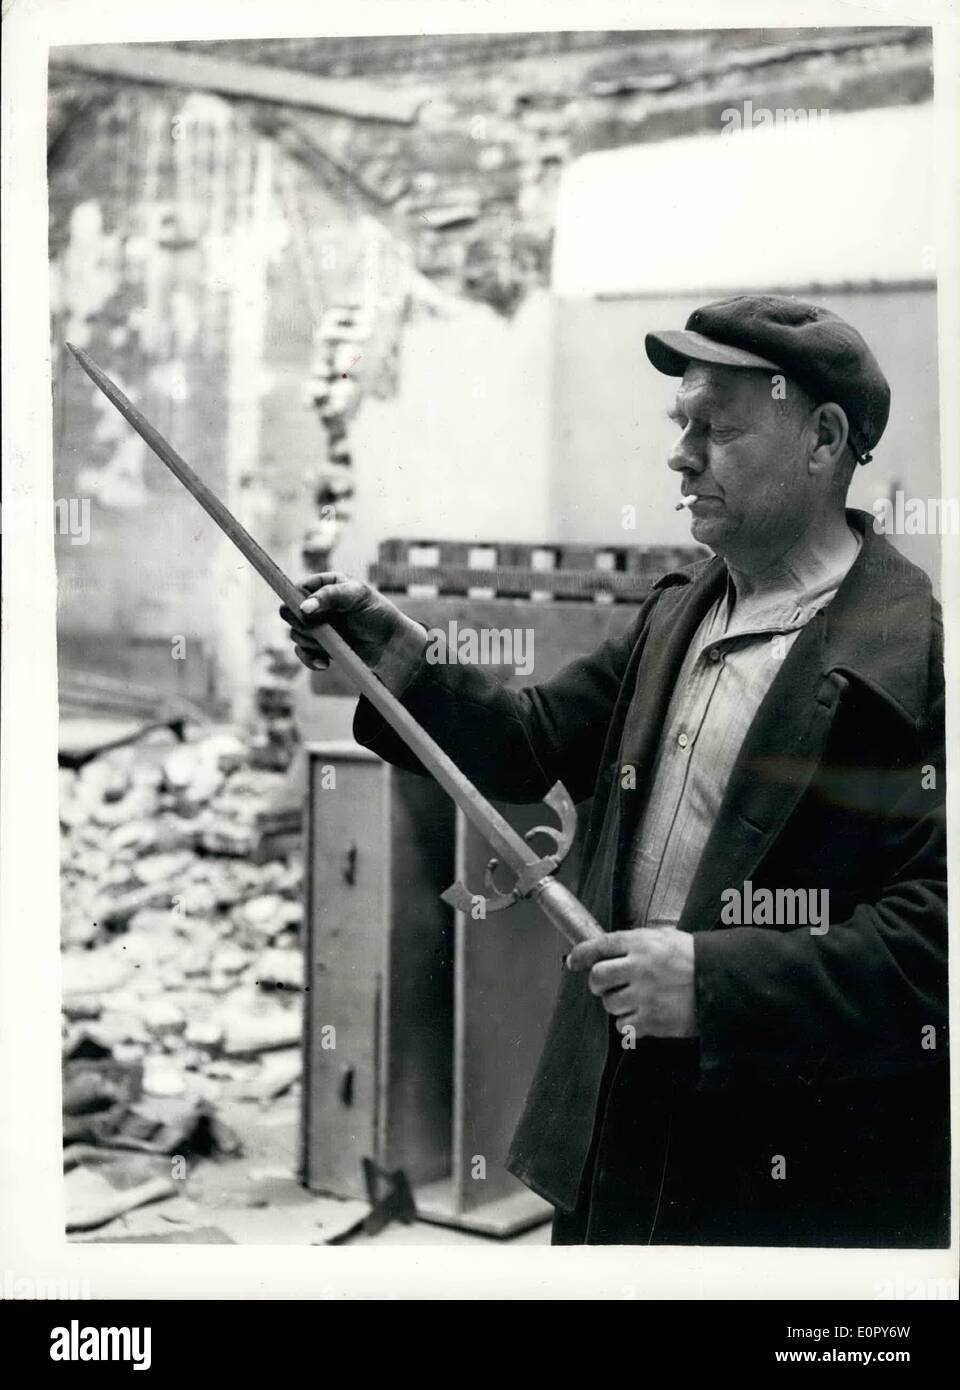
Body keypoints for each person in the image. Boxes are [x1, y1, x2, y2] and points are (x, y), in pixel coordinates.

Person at [282, 295, 948, 1247]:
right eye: (683, 426)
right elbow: (532, 739)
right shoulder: (680, 611)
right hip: (619, 1114)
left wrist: (716, 983)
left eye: (716, 430)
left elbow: (936, 941)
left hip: (790, 1163)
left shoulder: (913, 663)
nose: (681, 457)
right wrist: (408, 669)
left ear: (823, 438)